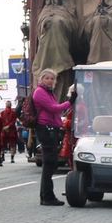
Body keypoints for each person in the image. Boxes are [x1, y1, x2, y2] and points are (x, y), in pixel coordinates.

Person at [29, 68, 71, 206]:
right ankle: (47, 196)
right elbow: (54, 108)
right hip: (46, 129)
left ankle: (46, 195)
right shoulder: (40, 92)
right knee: (49, 163)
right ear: (41, 79)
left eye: (52, 79)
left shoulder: (47, 92)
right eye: (47, 78)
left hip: (50, 128)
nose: (50, 80)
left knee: (50, 163)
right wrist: (70, 102)